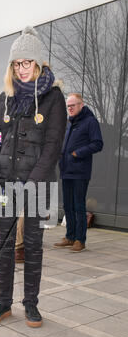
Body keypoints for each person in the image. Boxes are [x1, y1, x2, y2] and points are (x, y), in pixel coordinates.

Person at [0, 26, 67, 327]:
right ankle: (3, 302)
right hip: (5, 182)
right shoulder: (5, 99)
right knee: (5, 244)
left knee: (32, 245)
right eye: (17, 64)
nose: (21, 69)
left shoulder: (53, 98)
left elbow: (52, 146)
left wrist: (32, 184)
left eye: (27, 63)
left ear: (38, 63)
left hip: (38, 184)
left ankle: (31, 304)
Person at [54, 93, 103, 252]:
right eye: (68, 106)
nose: (70, 108)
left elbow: (97, 144)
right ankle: (70, 237)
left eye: (72, 105)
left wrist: (77, 153)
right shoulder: (69, 123)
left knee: (78, 206)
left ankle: (80, 240)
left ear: (81, 105)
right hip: (66, 171)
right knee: (67, 206)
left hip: (80, 172)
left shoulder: (90, 122)